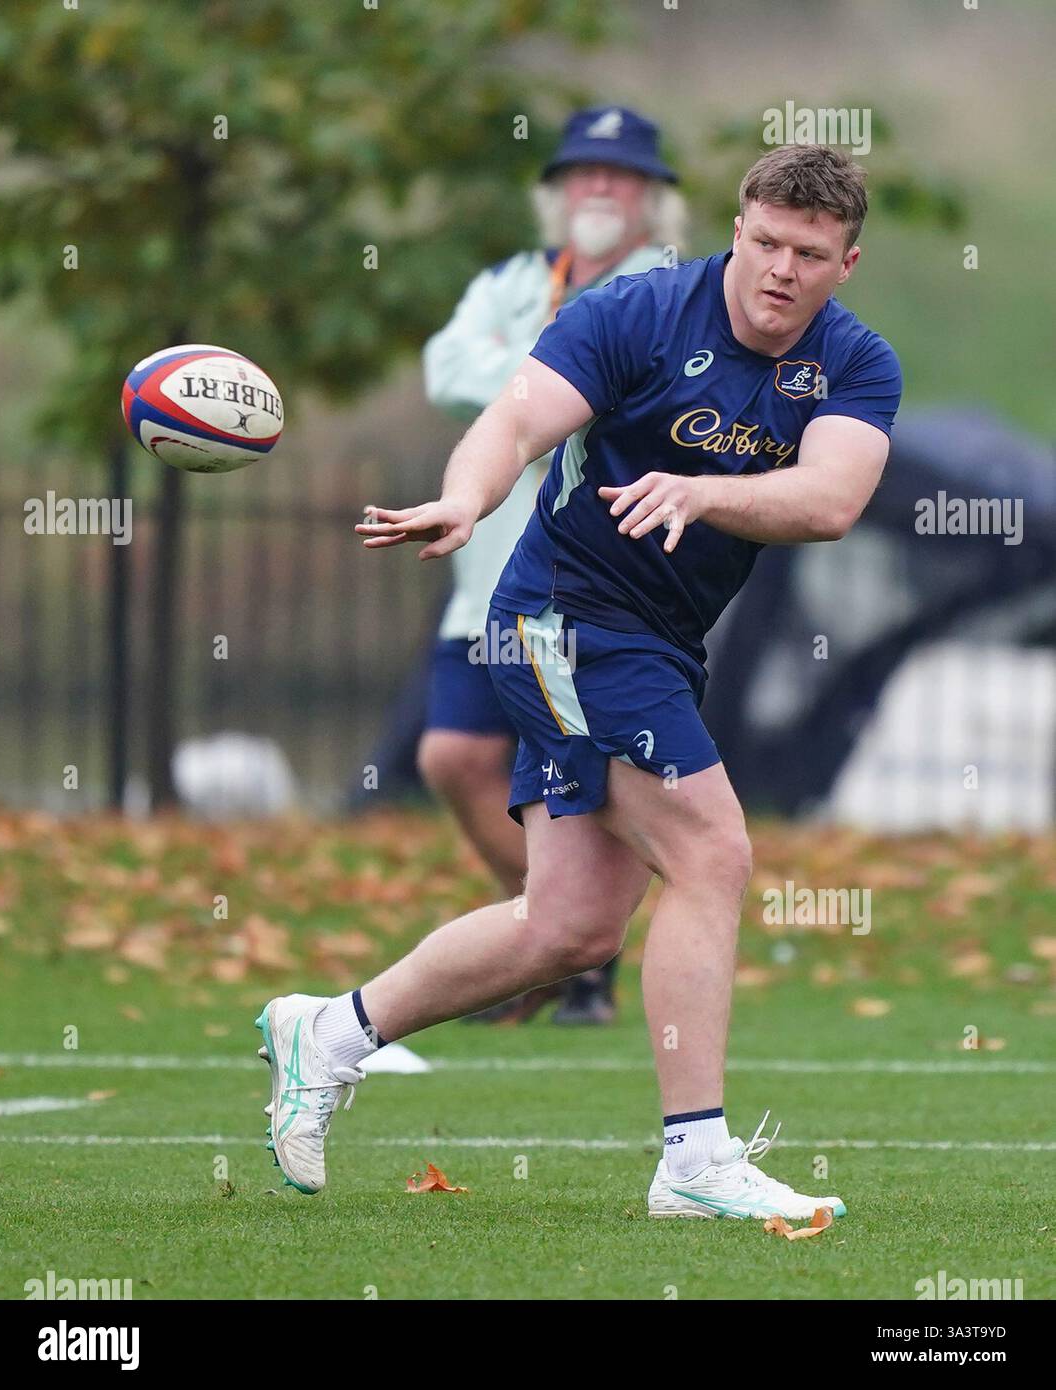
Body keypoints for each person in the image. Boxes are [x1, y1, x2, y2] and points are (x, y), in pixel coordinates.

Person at [257, 144, 901, 1219]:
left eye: (810, 253)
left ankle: (325, 1034)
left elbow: (831, 499)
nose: (781, 269)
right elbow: (513, 419)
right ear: (736, 230)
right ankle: (694, 1162)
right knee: (712, 849)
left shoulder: (856, 361)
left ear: (847, 263)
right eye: (767, 243)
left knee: (568, 927)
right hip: (562, 617)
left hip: (656, 641)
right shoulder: (636, 313)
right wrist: (467, 496)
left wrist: (702, 493)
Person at [419, 106, 686, 1024]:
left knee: (600, 783)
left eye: (620, 175)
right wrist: (560, 379)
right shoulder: (510, 281)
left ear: (652, 197)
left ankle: (574, 946)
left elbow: (650, 394)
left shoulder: (672, 291)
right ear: (559, 193)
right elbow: (447, 367)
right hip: (486, 587)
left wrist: (549, 378)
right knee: (454, 756)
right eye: (583, 173)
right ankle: (551, 939)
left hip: (597, 595)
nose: (599, 189)